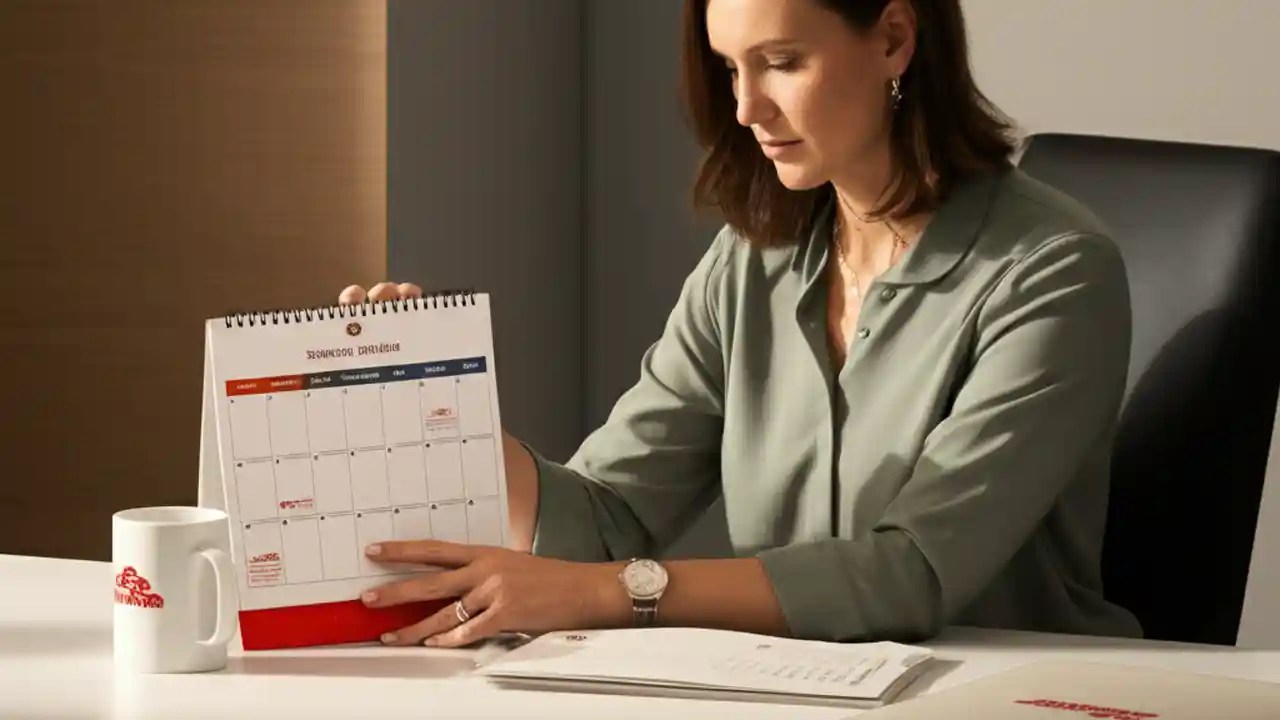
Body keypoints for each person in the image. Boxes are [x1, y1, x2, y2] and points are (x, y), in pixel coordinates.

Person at [341, 0, 1144, 648]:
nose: (745, 107)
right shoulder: (752, 262)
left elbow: (914, 573)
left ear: (895, 39)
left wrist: (615, 595)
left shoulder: (1055, 271)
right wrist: (445, 409)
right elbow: (609, 518)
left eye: (782, 62)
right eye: (730, 67)